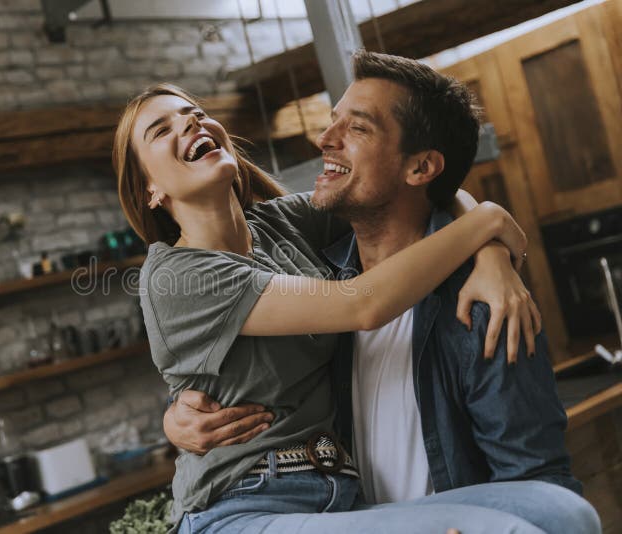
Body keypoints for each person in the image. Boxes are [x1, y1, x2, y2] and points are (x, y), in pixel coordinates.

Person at [161, 51, 601, 534]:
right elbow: (282, 357)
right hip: (331, 518)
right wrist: (176, 418)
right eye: (333, 122)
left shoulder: (486, 304)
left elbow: (534, 477)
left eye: (359, 129)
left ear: (420, 168)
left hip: (445, 519)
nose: (325, 140)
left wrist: (488, 246)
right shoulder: (314, 279)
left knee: (566, 515)